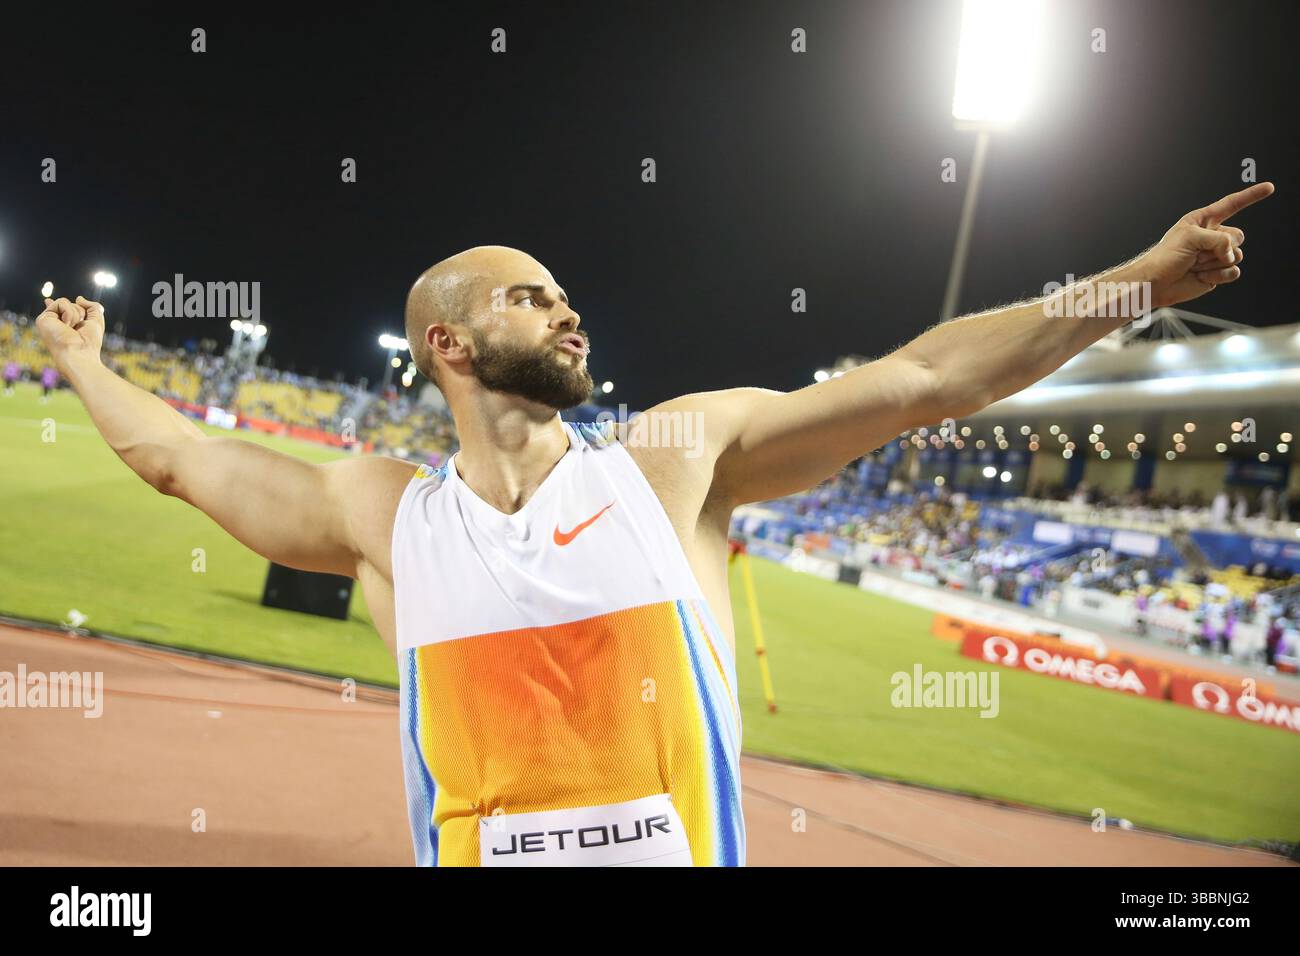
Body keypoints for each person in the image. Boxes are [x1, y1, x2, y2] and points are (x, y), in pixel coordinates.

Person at [34, 182, 1273, 867]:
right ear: (449, 345)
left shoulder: (670, 460)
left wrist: (1136, 284)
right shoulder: (382, 513)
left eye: (568, 296)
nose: (568, 314)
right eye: (532, 298)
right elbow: (183, 459)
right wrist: (82, 362)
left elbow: (927, 378)